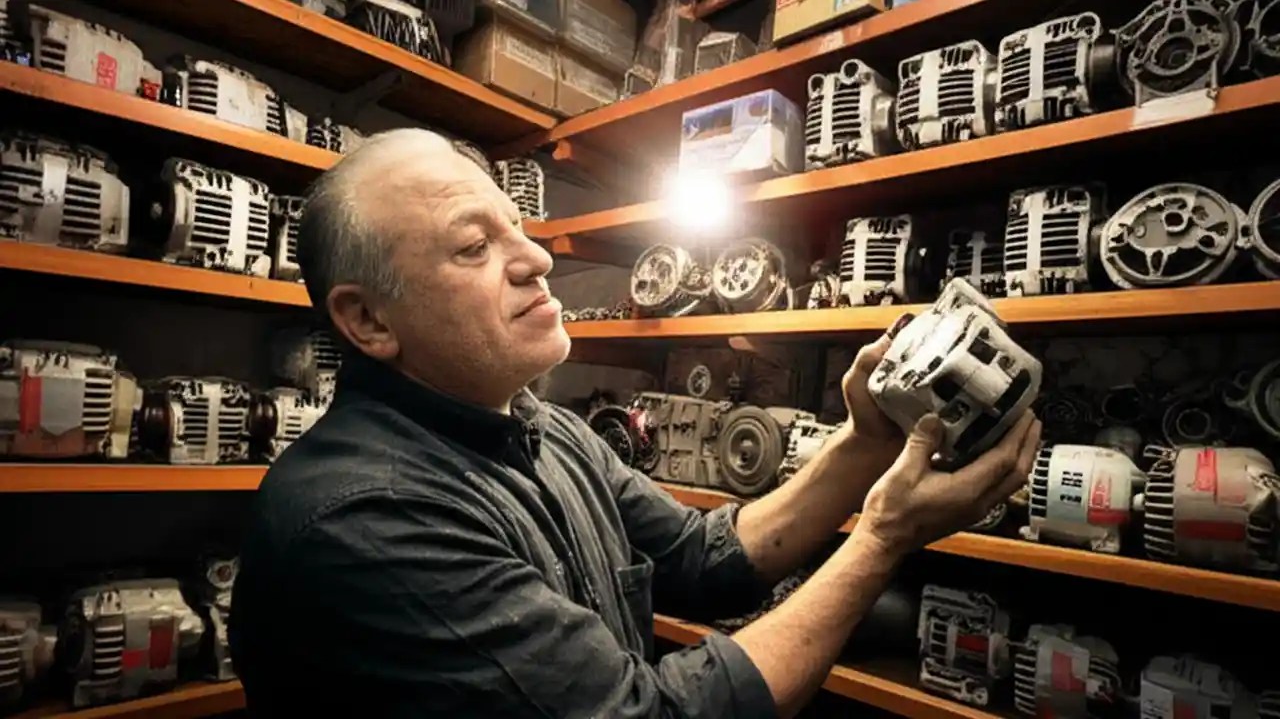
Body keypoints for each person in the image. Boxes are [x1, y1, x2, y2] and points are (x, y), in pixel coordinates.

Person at [229, 128, 1042, 718]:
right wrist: (882, 540)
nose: (536, 259)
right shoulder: (366, 521)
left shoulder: (541, 428)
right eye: (474, 247)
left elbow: (704, 558)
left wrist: (864, 445)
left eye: (518, 224)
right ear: (369, 320)